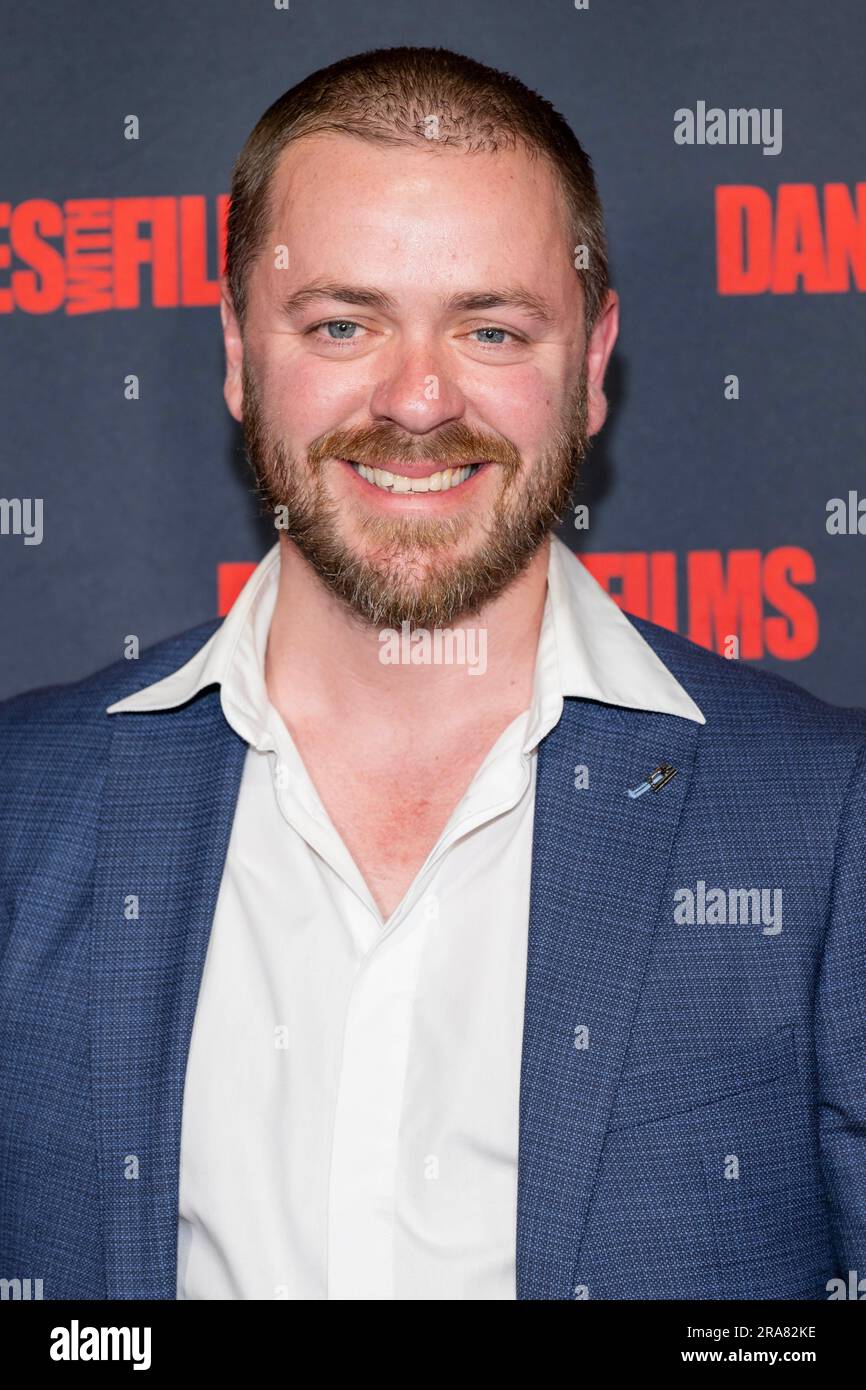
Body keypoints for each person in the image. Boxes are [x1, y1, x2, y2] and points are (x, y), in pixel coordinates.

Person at [1, 46, 863, 1302]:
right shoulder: (22, 815)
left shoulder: (826, 827)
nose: (416, 399)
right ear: (240, 354)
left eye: (492, 327)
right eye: (343, 323)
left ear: (590, 363)